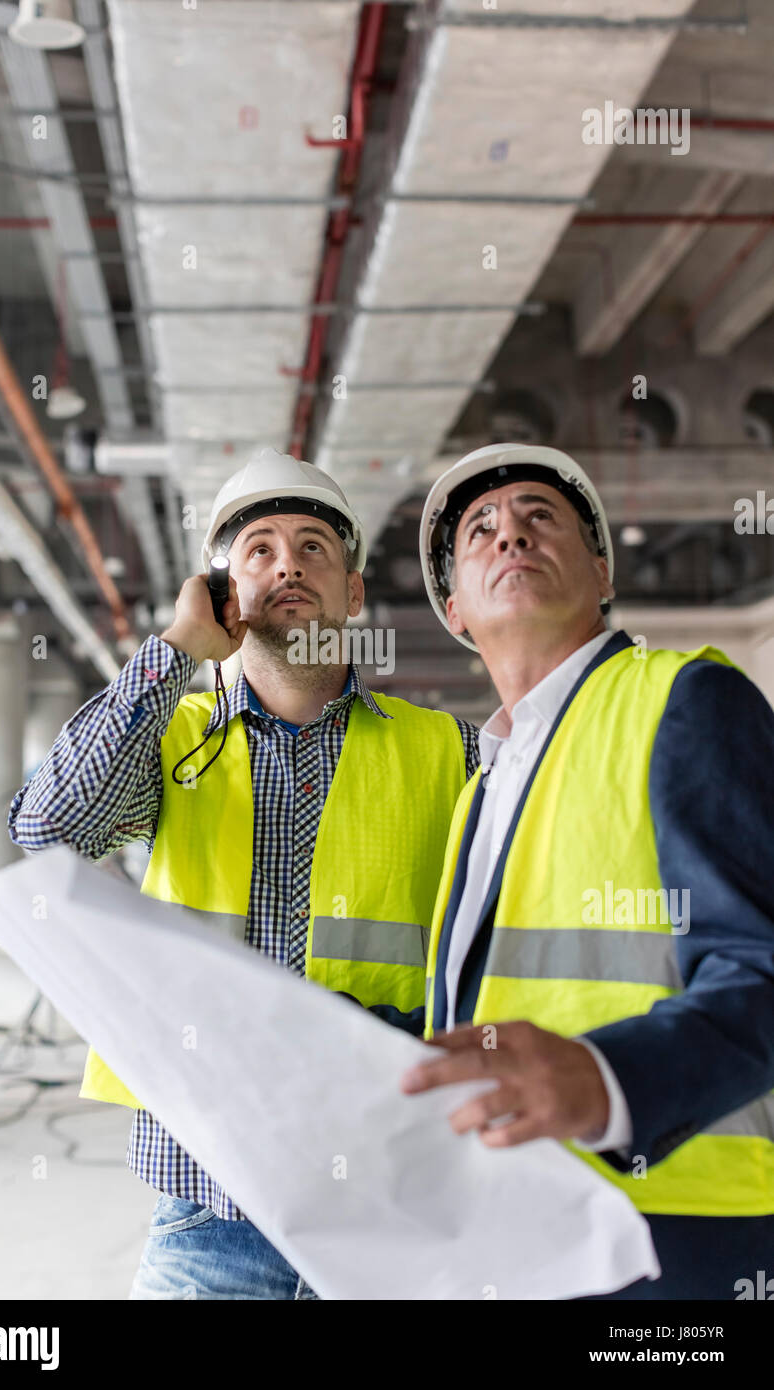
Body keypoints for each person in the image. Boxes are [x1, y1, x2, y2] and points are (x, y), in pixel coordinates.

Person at [8, 445, 480, 1301]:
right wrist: (179, 648)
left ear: (354, 593)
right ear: (223, 589)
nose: (286, 565)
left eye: (312, 548)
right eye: (258, 548)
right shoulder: (167, 738)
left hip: (389, 1198)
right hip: (211, 1207)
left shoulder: (452, 751)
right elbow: (48, 829)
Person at [400, 441, 774, 1300]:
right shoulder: (483, 788)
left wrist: (607, 1081)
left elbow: (761, 971)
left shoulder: (683, 700)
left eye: (541, 518)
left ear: (602, 574)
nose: (512, 536)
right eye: (482, 530)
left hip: (681, 1243)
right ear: (455, 610)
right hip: (524, 1224)